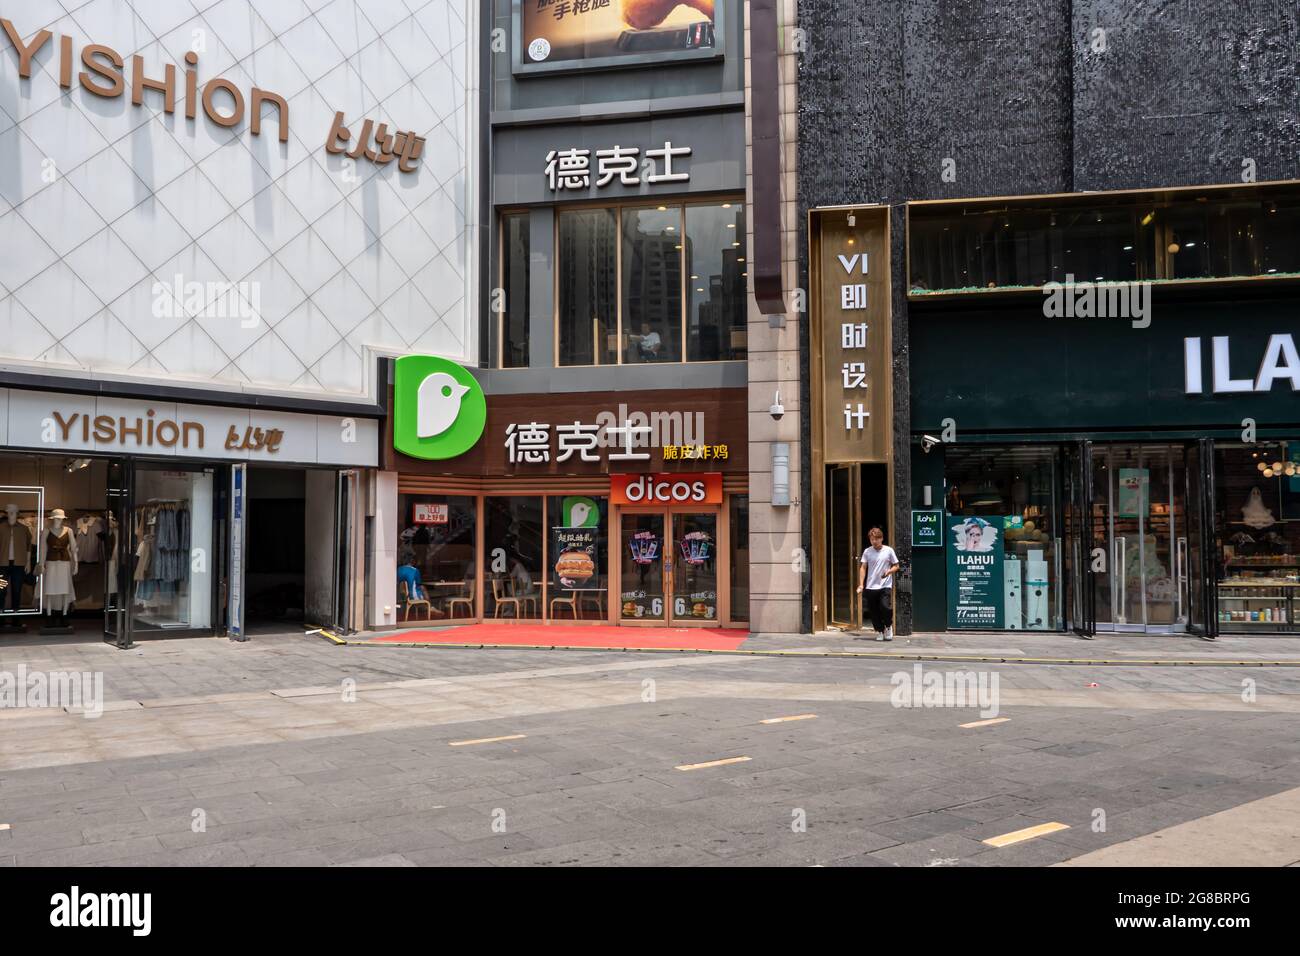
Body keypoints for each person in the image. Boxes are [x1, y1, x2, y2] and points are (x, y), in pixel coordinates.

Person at [857, 526, 899, 641]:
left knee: (885, 607)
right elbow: (863, 568)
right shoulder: (867, 551)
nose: (874, 541)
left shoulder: (889, 550)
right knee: (874, 611)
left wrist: (889, 571)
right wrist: (861, 584)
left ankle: (889, 626)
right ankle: (880, 631)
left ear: (881, 538)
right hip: (871, 586)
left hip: (885, 585)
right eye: (872, 539)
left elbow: (896, 566)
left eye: (876, 539)